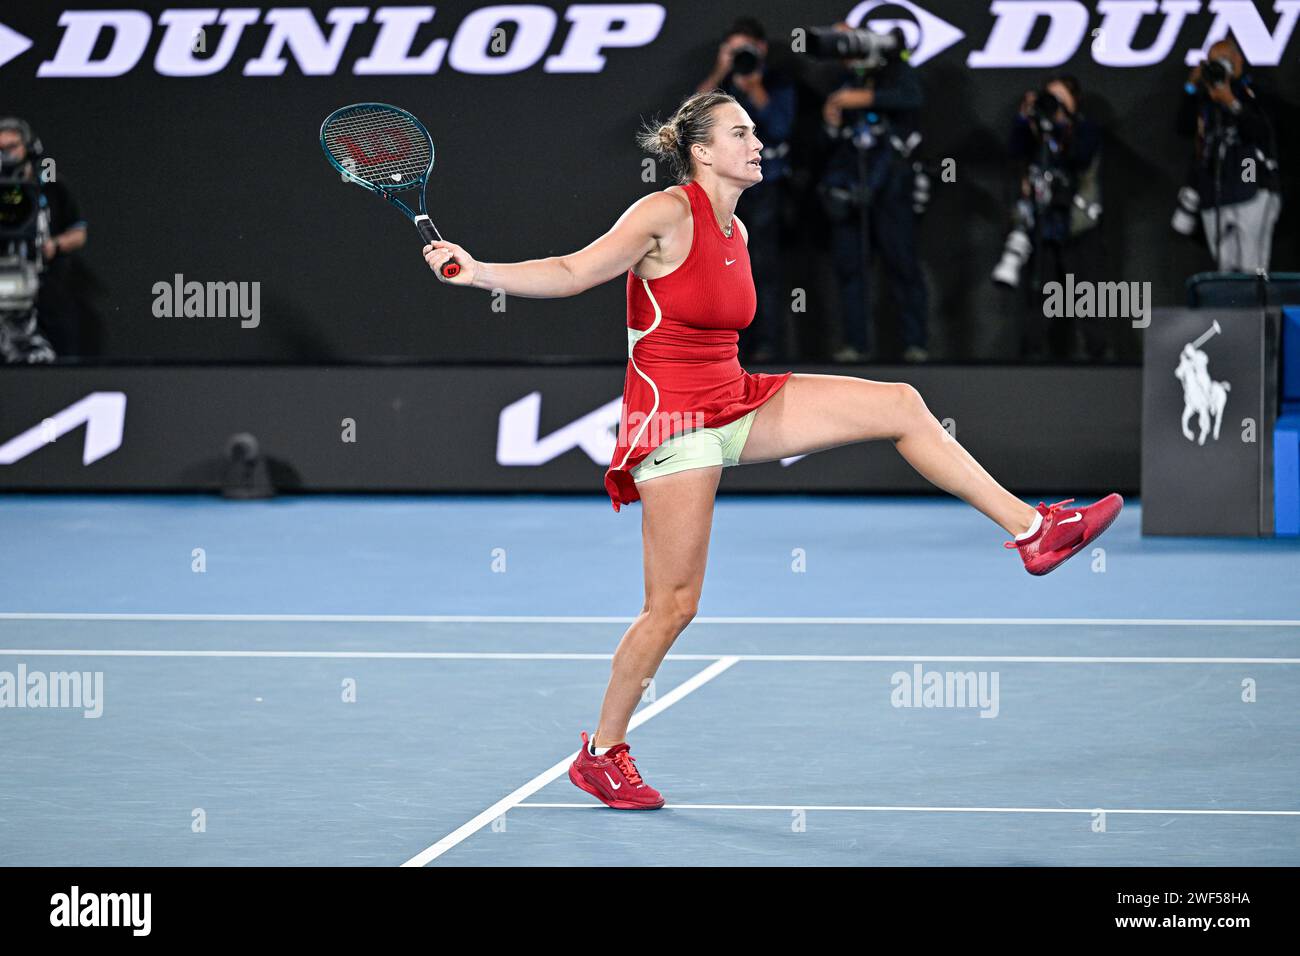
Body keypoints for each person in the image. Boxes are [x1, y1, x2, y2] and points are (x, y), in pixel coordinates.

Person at [420, 90, 1123, 810]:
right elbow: (573, 271)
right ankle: (602, 753)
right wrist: (481, 273)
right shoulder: (664, 212)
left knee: (902, 405)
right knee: (673, 606)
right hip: (676, 424)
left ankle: (1035, 531)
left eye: (755, 132)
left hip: (736, 398)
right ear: (701, 151)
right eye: (740, 133)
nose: (757, 143)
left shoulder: (739, 230)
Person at [818, 29, 929, 363]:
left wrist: (865, 99)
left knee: (902, 265)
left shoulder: (896, 70)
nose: (845, 51)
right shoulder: (842, 79)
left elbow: (912, 99)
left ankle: (916, 344)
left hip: (892, 187)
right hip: (852, 186)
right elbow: (829, 143)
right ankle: (856, 344)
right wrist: (831, 122)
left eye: (850, 42)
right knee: (850, 268)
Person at [696, 16, 796, 363]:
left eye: (746, 50)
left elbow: (782, 128)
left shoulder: (777, 82)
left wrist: (755, 88)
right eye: (735, 51)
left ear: (762, 49)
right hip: (723, 194)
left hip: (766, 189)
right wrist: (720, 71)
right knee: (721, 270)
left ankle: (768, 348)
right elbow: (688, 124)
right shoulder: (722, 91)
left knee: (763, 268)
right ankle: (728, 350)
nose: (742, 57)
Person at [993, 76, 1106, 361]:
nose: (1053, 103)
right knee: (1039, 296)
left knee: (1086, 296)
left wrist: (1062, 123)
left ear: (1074, 101)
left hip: (1078, 223)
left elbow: (1080, 157)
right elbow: (1014, 151)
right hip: (1043, 226)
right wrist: (1025, 119)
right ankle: (1032, 357)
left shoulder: (1084, 129)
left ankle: (1098, 356)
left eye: (1060, 97)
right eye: (1049, 96)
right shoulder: (1036, 129)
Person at [1175, 37, 1281, 272]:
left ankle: (1256, 309)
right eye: (1214, 62)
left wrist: (1231, 101)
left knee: (1252, 266)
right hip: (1216, 189)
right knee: (1225, 268)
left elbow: (1262, 132)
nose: (1220, 67)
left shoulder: (1252, 92)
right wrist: (1191, 87)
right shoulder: (1205, 99)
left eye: (1224, 60)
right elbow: (1183, 128)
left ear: (1238, 60)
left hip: (1250, 177)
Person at [0, 118, 88, 360]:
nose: (5, 155)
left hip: (46, 289)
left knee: (53, 356)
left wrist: (54, 245)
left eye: (11, 147)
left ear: (29, 148)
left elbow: (79, 232)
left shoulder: (51, 186)